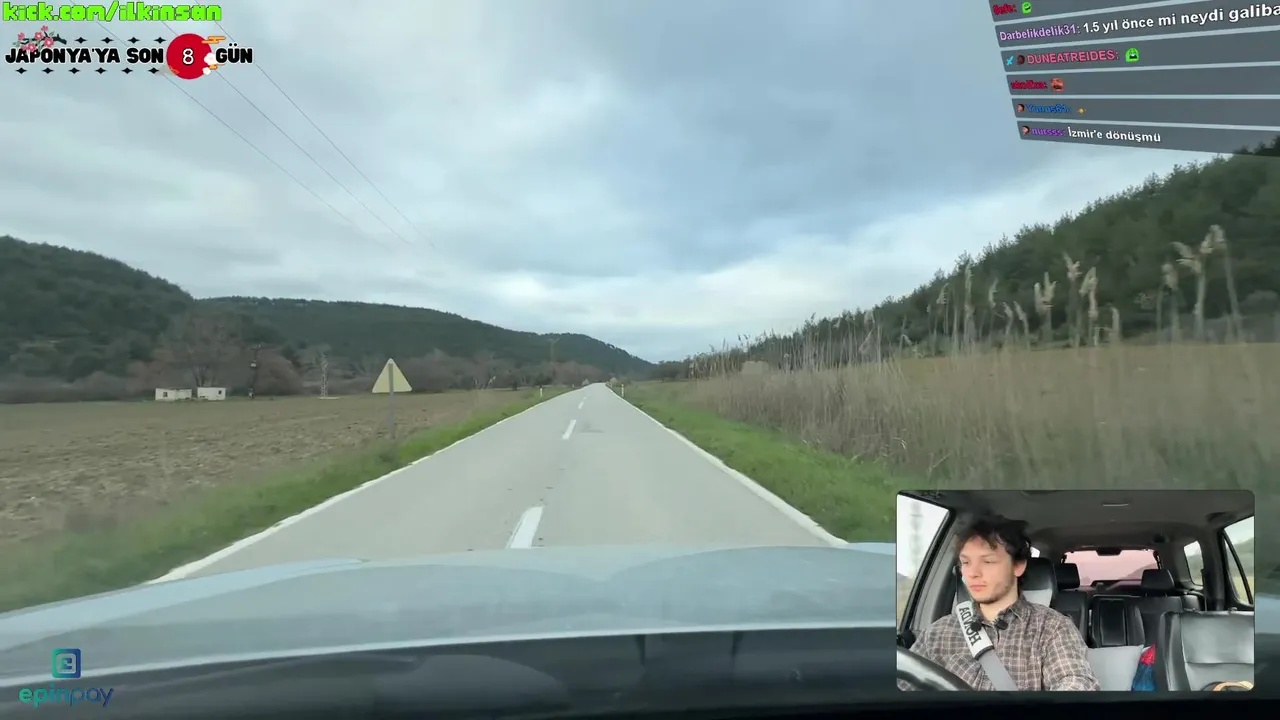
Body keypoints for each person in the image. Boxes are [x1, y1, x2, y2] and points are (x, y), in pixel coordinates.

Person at [899, 515, 1100, 691]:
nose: (972, 573)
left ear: (1018, 566)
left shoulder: (1052, 628)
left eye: (988, 561)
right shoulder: (937, 634)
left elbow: (1075, 682)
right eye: (966, 562)